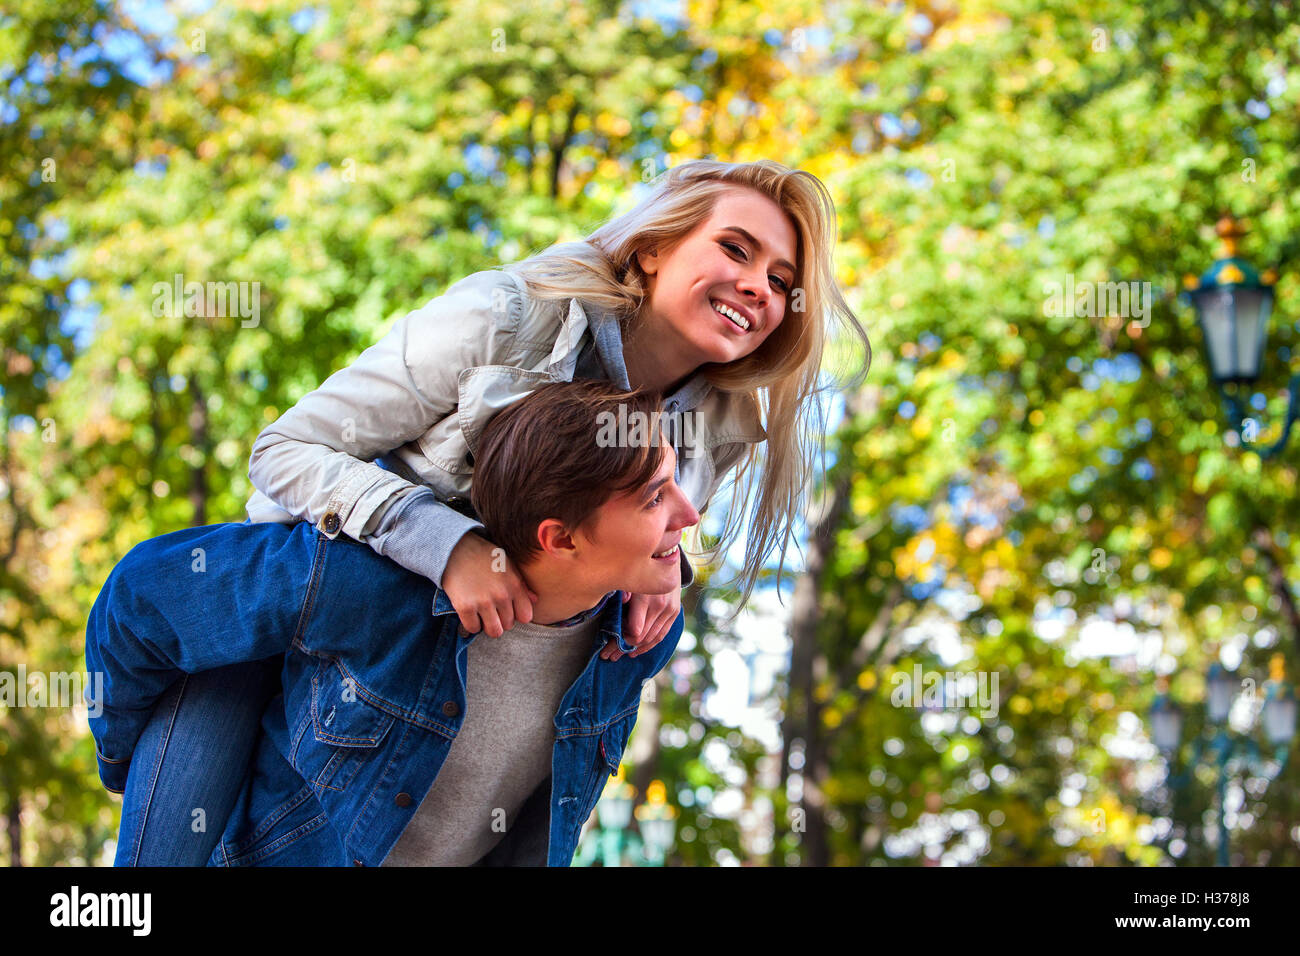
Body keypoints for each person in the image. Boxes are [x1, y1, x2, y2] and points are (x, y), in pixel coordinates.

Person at [98, 158, 871, 864]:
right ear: (652, 248)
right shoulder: (505, 314)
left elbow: (629, 532)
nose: (759, 287)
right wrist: (447, 542)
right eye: (736, 250)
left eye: (780, 278)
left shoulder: (716, 425)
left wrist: (666, 572)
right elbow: (284, 450)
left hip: (440, 689)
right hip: (290, 598)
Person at [88, 381, 699, 865]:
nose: (690, 513)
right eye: (655, 498)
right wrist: (125, 760)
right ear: (559, 538)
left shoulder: (639, 639)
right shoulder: (370, 586)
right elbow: (143, 595)